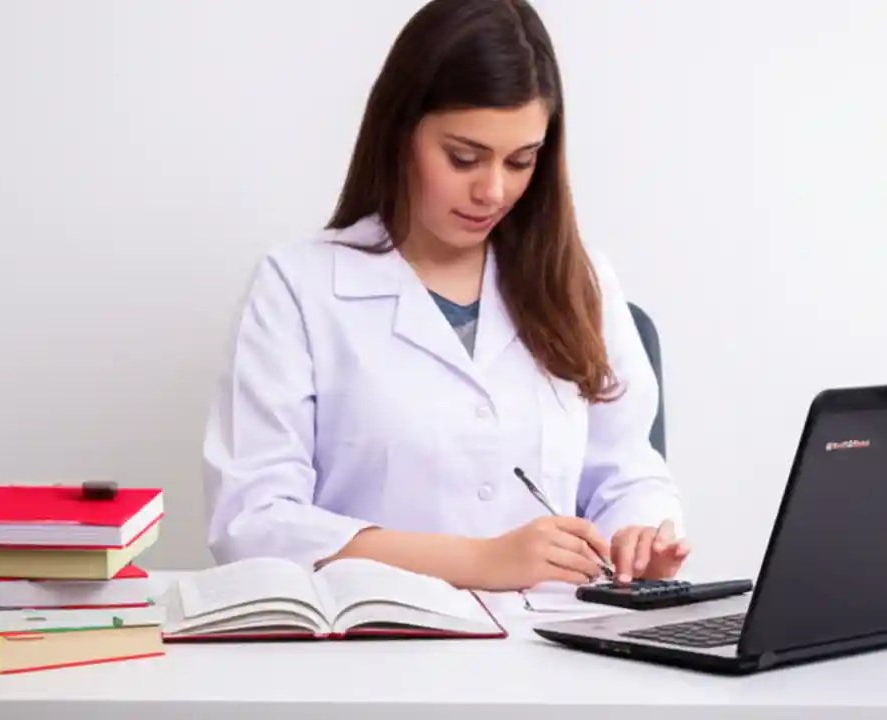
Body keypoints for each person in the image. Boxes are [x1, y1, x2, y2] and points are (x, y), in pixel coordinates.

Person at [202, 0, 690, 592]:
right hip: (372, 645)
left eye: (521, 161)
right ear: (400, 132)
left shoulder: (579, 279)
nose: (493, 190)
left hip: (557, 651)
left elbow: (627, 473)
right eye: (464, 158)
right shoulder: (297, 287)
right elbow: (254, 523)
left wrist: (639, 538)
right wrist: (480, 562)